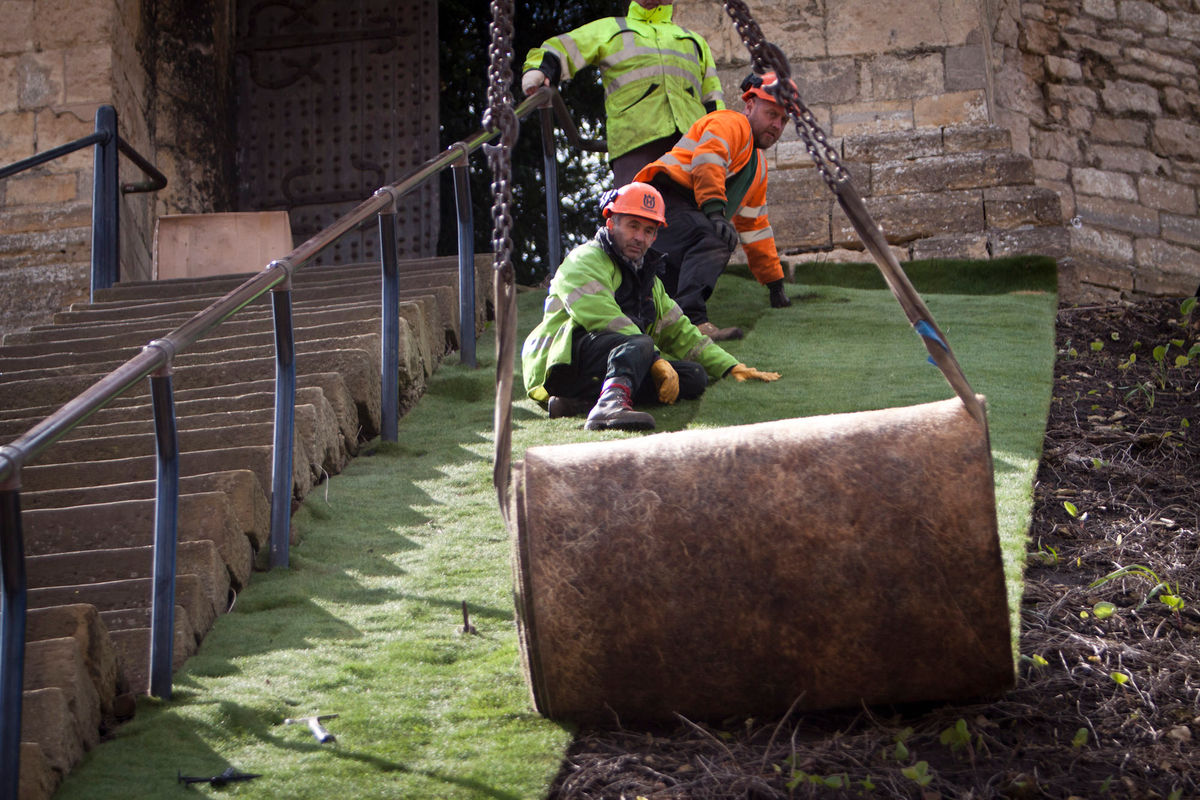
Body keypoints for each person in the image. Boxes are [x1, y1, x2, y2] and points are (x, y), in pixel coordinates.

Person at [521, 181, 781, 432]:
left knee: (693, 377)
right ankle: (609, 407)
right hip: (559, 367)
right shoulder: (584, 260)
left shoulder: (649, 280)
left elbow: (680, 331)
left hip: (610, 361)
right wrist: (654, 359)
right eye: (633, 226)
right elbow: (604, 319)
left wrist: (730, 366)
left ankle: (577, 404)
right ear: (611, 223)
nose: (639, 237)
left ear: (656, 236)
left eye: (648, 231)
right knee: (641, 343)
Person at [634, 71, 797, 341]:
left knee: (661, 293)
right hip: (661, 203)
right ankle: (693, 321)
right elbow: (708, 160)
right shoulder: (731, 123)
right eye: (772, 114)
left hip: (682, 218)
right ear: (749, 105)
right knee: (716, 235)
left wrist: (774, 282)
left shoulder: (758, 167)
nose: (777, 125)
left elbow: (755, 227)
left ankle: (668, 328)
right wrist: (715, 213)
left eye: (783, 120)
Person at [521, 0, 724, 186]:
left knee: (694, 213)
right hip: (635, 146)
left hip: (692, 151)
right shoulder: (610, 29)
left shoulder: (695, 41)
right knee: (637, 209)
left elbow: (713, 101)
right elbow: (563, 47)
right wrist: (540, 69)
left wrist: (722, 143)